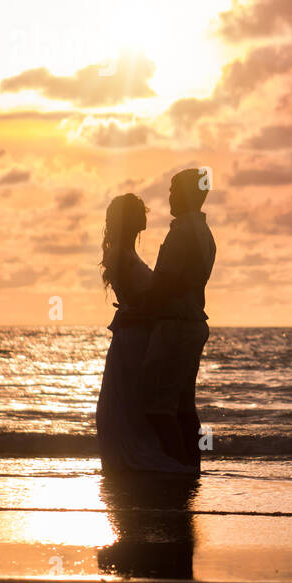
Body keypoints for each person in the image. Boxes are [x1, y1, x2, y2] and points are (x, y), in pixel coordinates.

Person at [95, 194, 197, 474]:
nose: (146, 215)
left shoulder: (126, 252)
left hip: (139, 334)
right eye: (140, 212)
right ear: (128, 219)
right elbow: (136, 301)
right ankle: (172, 465)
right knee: (136, 399)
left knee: (138, 399)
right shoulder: (121, 255)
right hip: (134, 338)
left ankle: (168, 459)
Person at [138, 169, 217, 469]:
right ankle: (190, 467)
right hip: (192, 323)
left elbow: (166, 284)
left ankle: (175, 469)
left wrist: (139, 310)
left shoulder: (182, 233)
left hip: (176, 325)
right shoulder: (204, 233)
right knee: (184, 405)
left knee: (158, 407)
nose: (169, 196)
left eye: (173, 190)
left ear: (186, 193)